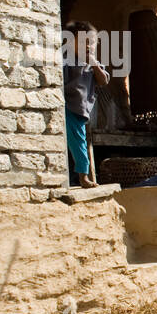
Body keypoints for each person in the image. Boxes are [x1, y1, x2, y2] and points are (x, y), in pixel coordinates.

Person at [62, 20, 110, 188]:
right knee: (73, 144)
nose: (88, 46)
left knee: (79, 144)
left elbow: (103, 81)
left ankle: (83, 177)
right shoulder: (66, 61)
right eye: (83, 42)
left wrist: (94, 64)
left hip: (79, 110)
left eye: (92, 43)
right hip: (65, 106)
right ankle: (79, 177)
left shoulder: (93, 65)